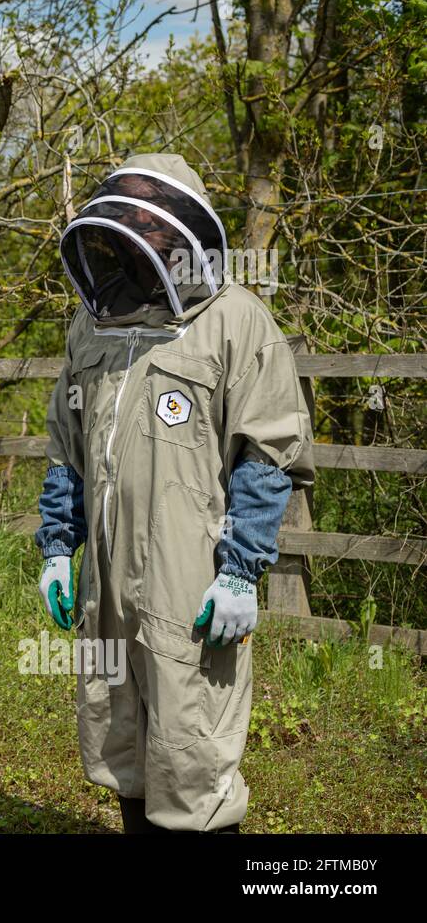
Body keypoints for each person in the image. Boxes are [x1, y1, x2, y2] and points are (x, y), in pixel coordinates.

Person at [35, 153, 315, 832]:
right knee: (122, 743)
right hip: (108, 587)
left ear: (181, 230)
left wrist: (242, 573)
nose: (131, 229)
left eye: (145, 217)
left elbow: (268, 455)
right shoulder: (92, 325)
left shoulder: (237, 321)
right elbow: (68, 449)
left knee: (193, 760)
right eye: (122, 214)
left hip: (190, 583)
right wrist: (54, 547)